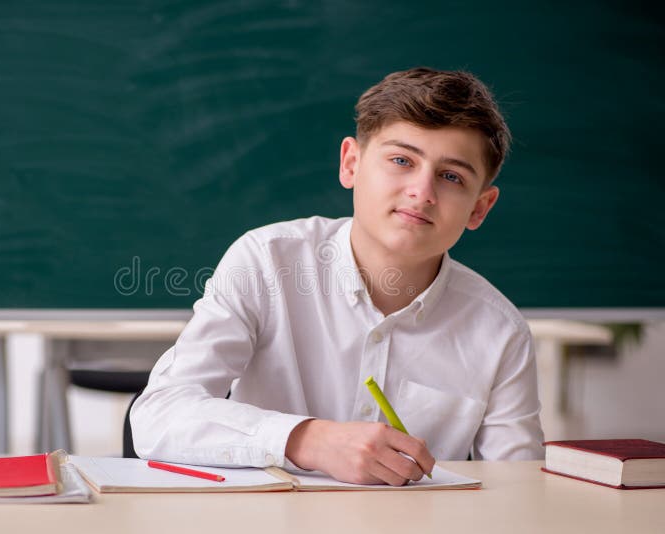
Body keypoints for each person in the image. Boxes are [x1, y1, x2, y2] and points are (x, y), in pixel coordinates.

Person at [130, 67, 544, 486]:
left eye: (451, 176)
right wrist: (308, 440)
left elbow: (519, 488)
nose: (422, 191)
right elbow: (158, 415)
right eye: (401, 160)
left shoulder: (500, 331)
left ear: (479, 208)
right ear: (351, 164)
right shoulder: (266, 261)